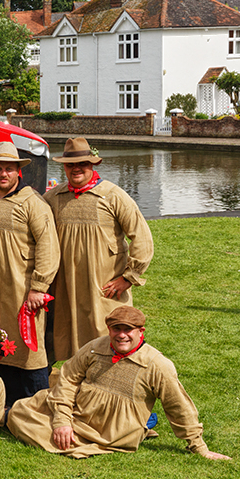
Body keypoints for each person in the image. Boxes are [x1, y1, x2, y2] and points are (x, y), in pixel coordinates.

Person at [7, 307, 230, 460]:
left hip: (111, 432)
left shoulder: (157, 365)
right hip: (79, 414)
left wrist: (199, 447)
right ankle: (145, 423)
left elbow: (179, 407)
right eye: (117, 329)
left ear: (141, 332)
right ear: (109, 329)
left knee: (30, 426)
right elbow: (68, 378)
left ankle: (139, 427)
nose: (122, 335)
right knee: (19, 411)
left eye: (128, 330)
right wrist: (62, 422)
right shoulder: (96, 346)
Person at [43, 137, 154, 361]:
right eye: (71, 165)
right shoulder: (53, 198)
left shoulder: (113, 196)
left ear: (92, 164)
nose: (76, 169)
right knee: (66, 336)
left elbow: (142, 238)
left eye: (82, 164)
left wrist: (128, 278)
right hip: (65, 288)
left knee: (106, 336)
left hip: (103, 288)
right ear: (64, 167)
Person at [0, 142, 59, 408]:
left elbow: (48, 245)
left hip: (21, 289)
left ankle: (36, 401)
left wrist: (39, 286)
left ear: (18, 172)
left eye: (9, 169)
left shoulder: (33, 203)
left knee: (27, 348)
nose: (3, 174)